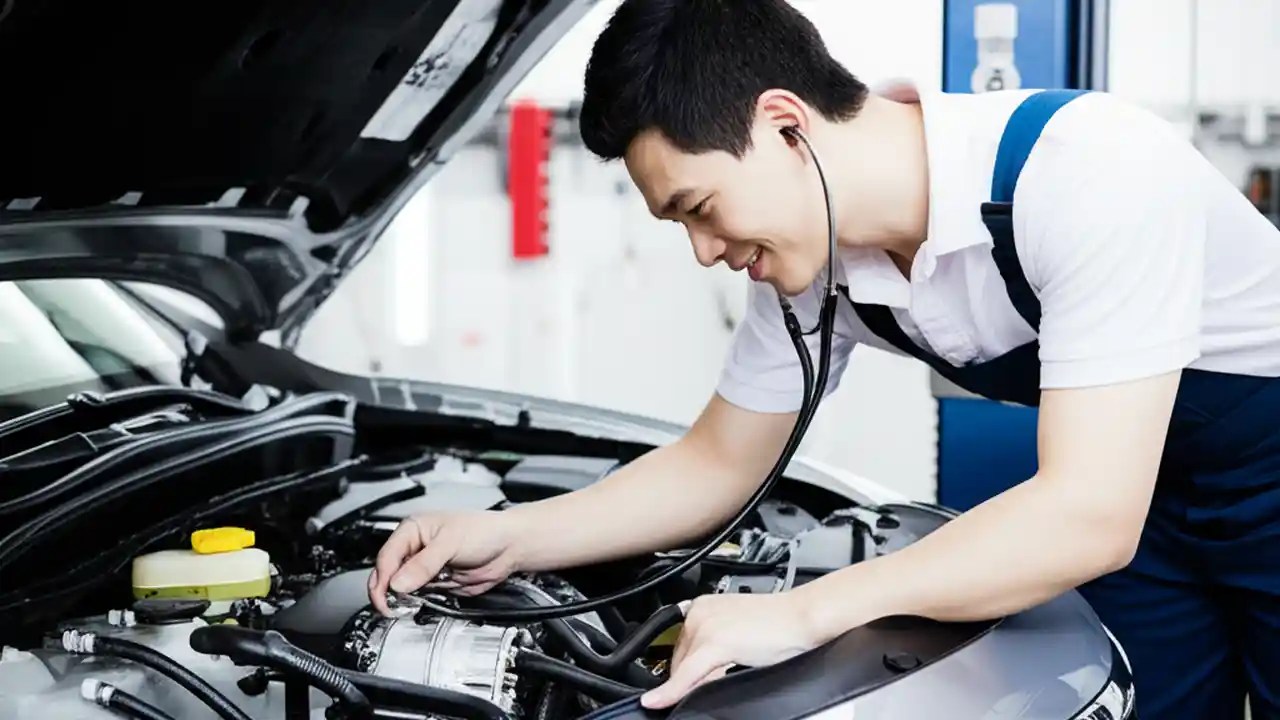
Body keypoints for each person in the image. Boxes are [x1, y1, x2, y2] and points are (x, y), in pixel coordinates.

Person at [368, 1, 1280, 717]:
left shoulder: (1085, 171)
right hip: (1159, 496)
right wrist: (511, 535)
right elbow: (719, 461)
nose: (705, 251)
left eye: (698, 206)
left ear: (783, 123)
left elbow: (1086, 513)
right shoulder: (813, 267)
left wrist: (802, 612)